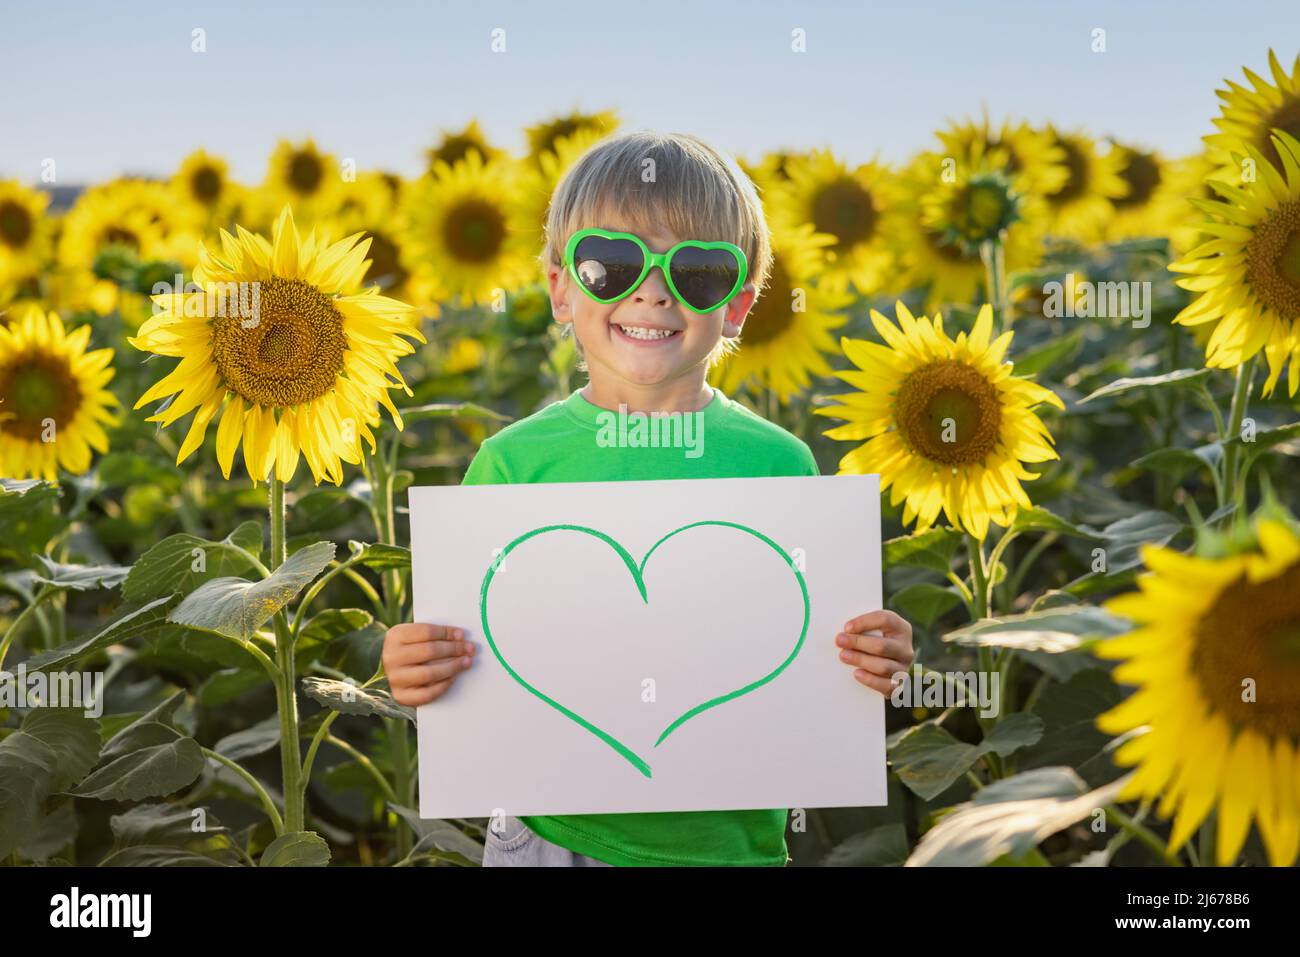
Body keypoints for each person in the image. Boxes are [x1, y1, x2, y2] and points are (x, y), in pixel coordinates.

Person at [382, 130, 914, 866]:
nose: (653, 290)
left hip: (731, 846)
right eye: (614, 263)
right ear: (561, 288)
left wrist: (872, 656)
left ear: (736, 307)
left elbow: (814, 649)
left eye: (697, 272)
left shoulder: (777, 465)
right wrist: (412, 664)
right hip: (552, 840)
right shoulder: (511, 465)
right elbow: (464, 651)